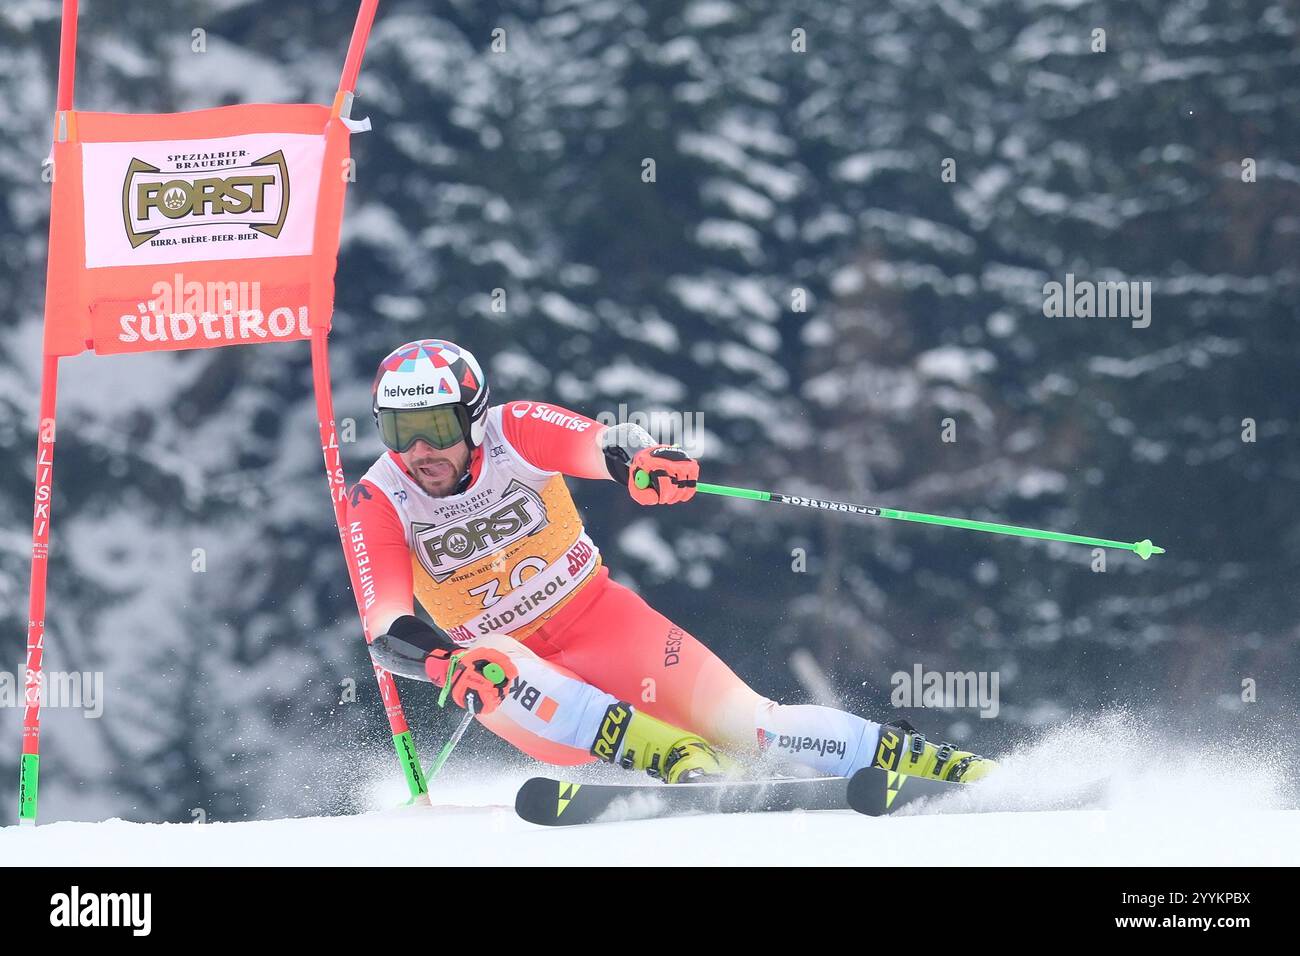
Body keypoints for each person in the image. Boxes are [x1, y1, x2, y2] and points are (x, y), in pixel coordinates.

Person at [347, 338, 996, 785]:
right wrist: (443, 662)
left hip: (605, 623)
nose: (420, 450)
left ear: (472, 418)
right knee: (491, 657)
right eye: (400, 430)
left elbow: (602, 442)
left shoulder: (513, 430)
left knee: (752, 723)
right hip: (516, 687)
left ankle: (923, 762)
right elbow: (385, 627)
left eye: (436, 426)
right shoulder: (379, 499)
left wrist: (642, 462)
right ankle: (676, 757)